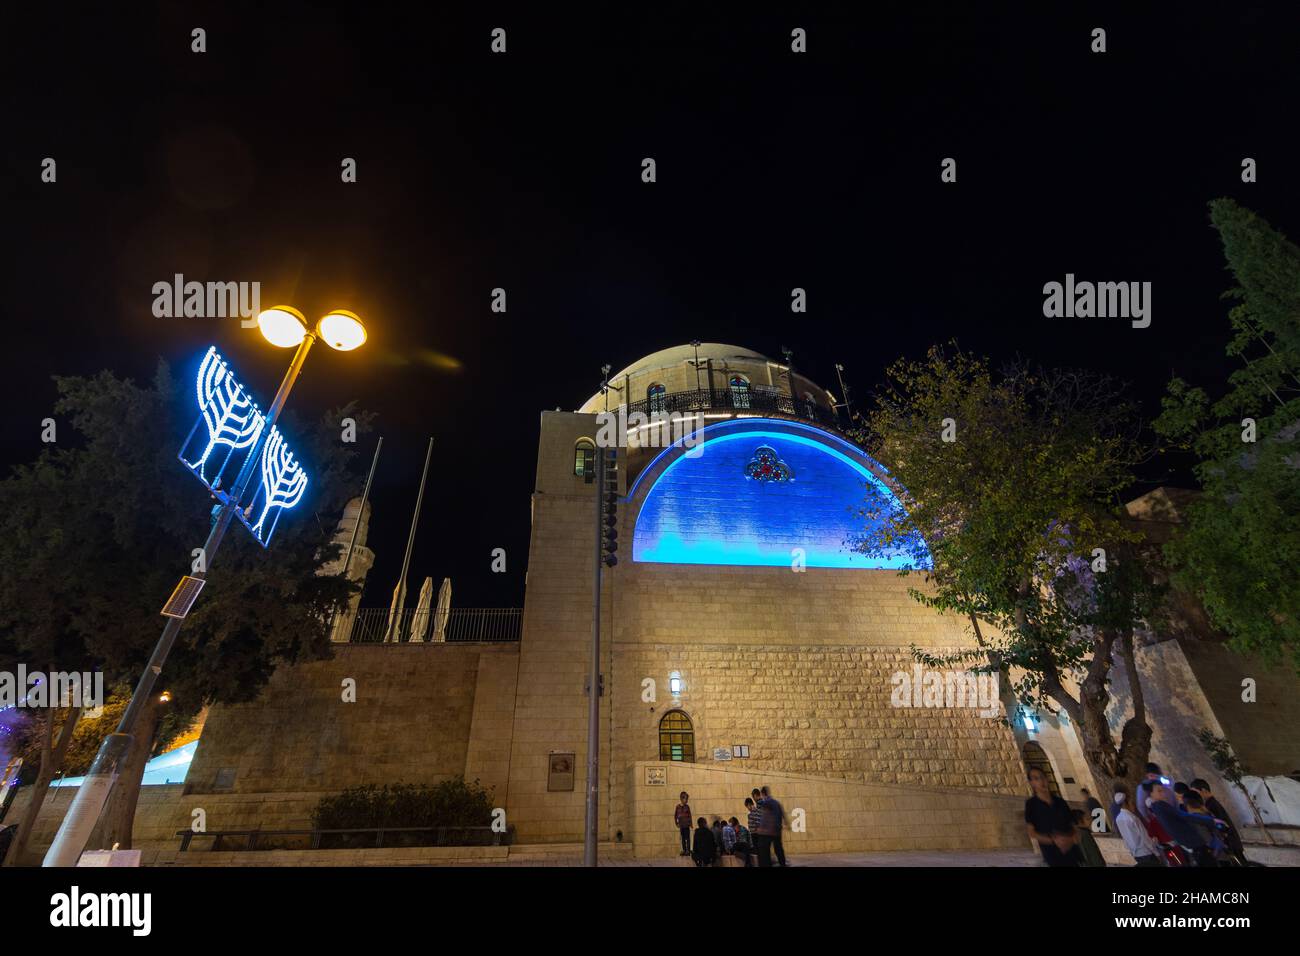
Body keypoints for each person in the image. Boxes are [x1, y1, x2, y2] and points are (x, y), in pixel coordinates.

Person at [1147, 781, 1223, 866]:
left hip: (1192, 844)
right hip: (1195, 843)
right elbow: (1185, 816)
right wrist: (1211, 820)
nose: (1163, 793)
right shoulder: (1161, 807)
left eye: (1162, 790)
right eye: (1159, 791)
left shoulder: (1157, 808)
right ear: (1151, 794)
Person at [1024, 767, 1082, 866]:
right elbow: (1031, 832)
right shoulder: (1031, 805)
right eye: (1036, 778)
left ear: (1047, 779)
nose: (1041, 781)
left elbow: (1073, 826)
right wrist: (1054, 841)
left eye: (1042, 777)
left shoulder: (1060, 802)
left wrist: (1070, 840)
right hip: (1052, 856)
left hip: (1071, 854)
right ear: (1031, 783)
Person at [1190, 778, 1247, 863]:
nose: (1195, 796)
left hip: (1231, 844)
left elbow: (1221, 825)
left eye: (1196, 792)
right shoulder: (1211, 803)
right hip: (1231, 843)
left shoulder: (1211, 805)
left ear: (1203, 790)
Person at [1112, 787, 1161, 866]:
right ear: (1125, 803)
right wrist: (1156, 852)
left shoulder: (1118, 819)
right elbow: (1145, 837)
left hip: (1136, 855)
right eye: (1132, 803)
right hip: (1146, 853)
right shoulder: (1133, 818)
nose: (1134, 806)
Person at [761, 786, 789, 866]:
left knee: (766, 850)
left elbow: (765, 816)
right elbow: (783, 813)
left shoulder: (766, 802)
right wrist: (786, 823)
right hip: (778, 829)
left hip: (770, 831)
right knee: (778, 849)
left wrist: (762, 828)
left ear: (763, 793)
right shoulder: (776, 802)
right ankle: (782, 863)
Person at [674, 792, 693, 856]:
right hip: (681, 825)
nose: (687, 800)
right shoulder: (678, 807)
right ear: (681, 799)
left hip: (686, 825)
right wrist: (676, 823)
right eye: (686, 799)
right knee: (682, 838)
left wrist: (690, 823)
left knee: (687, 838)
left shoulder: (687, 807)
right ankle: (684, 850)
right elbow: (675, 815)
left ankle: (688, 850)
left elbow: (689, 815)